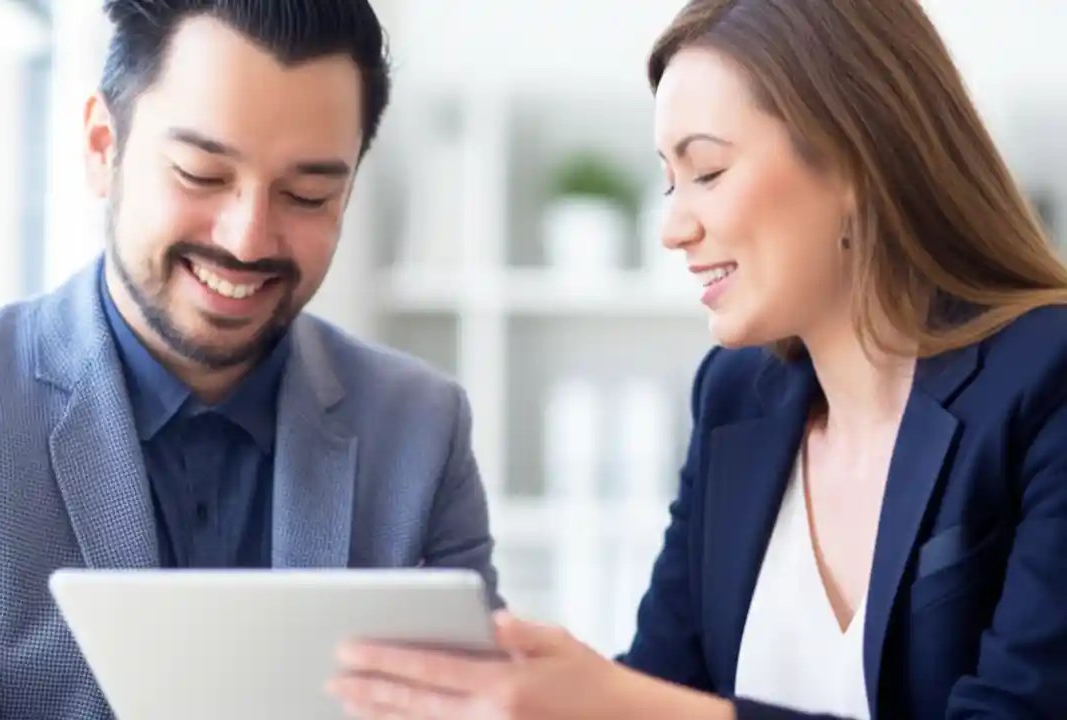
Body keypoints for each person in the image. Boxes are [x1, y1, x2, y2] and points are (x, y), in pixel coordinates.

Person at [329, 0, 1067, 718]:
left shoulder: (1047, 379)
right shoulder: (737, 399)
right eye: (668, 180)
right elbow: (659, 681)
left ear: (853, 161)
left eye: (707, 172)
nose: (674, 226)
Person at [0, 1, 501, 717]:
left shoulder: (421, 428)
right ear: (103, 145)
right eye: (201, 173)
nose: (247, 238)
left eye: (307, 195)